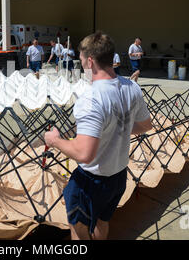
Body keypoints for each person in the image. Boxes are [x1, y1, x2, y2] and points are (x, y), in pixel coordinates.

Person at [44, 31, 152, 240]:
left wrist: (55, 140)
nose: (82, 64)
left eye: (82, 60)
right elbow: (146, 125)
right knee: (103, 220)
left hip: (91, 181)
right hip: (119, 176)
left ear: (90, 61)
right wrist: (117, 130)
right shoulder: (132, 87)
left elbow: (85, 154)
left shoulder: (91, 99)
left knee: (78, 228)